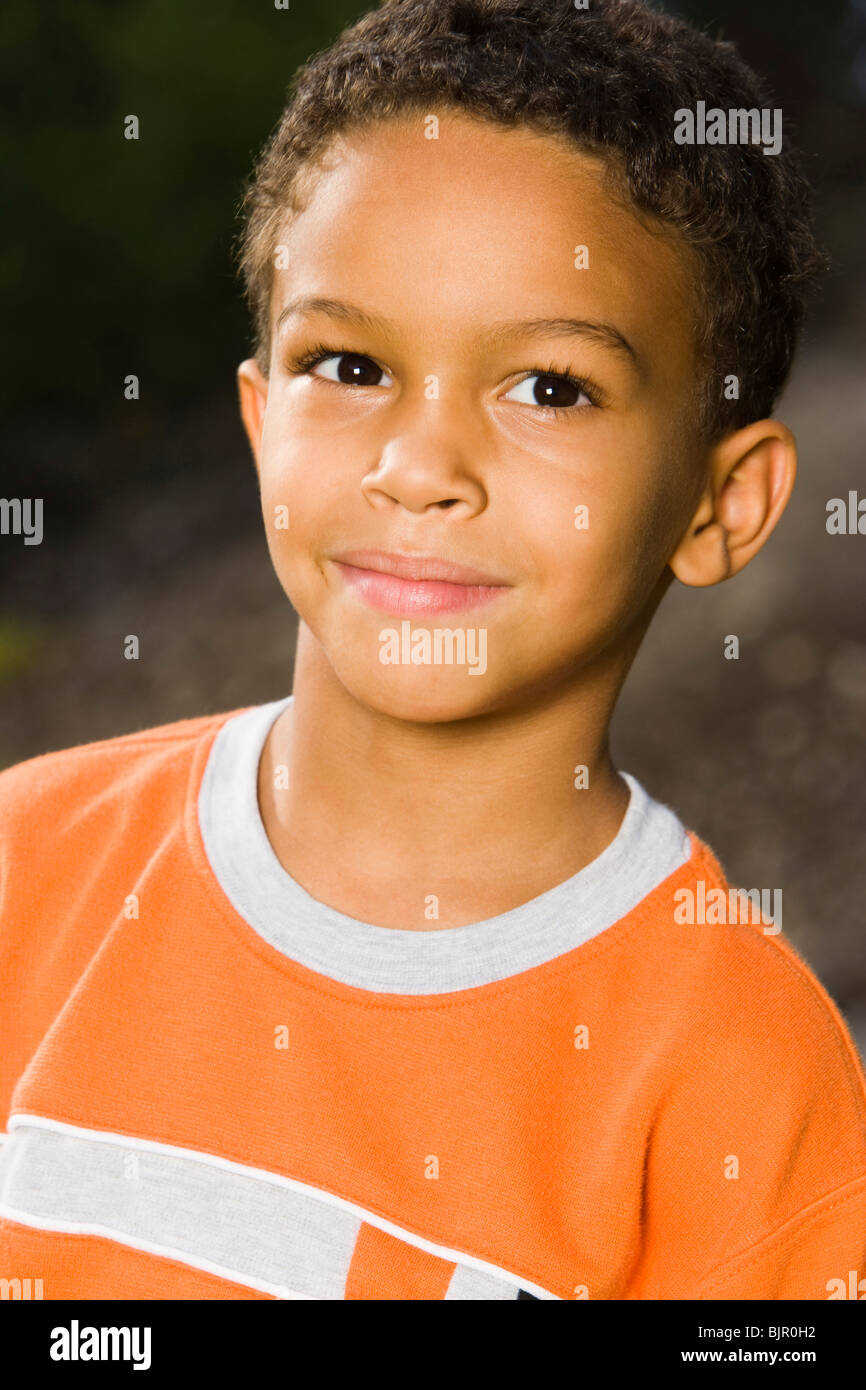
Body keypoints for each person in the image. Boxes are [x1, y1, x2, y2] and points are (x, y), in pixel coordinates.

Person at [2, 0, 865, 1300]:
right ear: (258, 421)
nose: (417, 467)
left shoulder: (748, 1079)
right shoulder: (24, 867)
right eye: (346, 364)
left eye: (549, 388)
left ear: (718, 502)